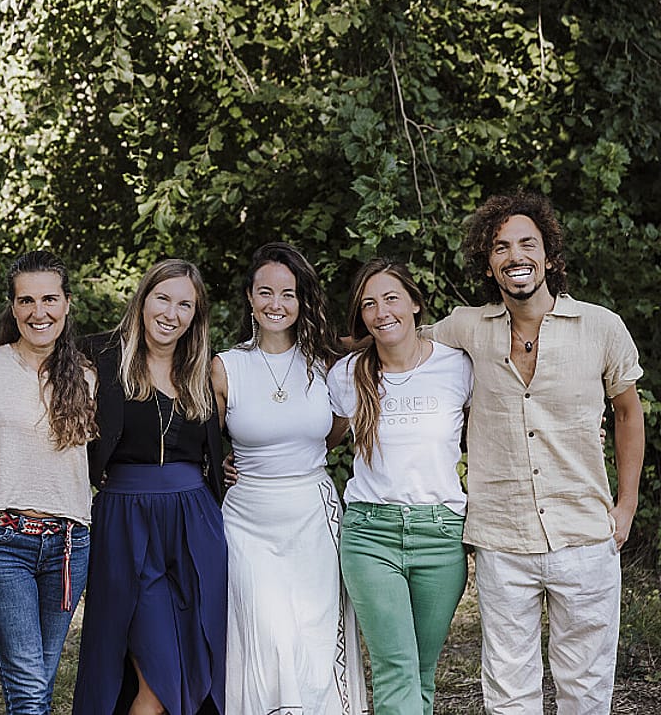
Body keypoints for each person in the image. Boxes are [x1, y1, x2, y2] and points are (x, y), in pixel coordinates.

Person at [425, 191, 644, 713]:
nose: (514, 255)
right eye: (500, 247)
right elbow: (396, 346)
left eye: (527, 243)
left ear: (549, 256)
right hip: (503, 538)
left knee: (587, 688)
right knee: (508, 690)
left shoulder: (601, 327)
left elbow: (629, 413)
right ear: (489, 263)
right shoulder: (465, 328)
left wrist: (627, 506)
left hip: (586, 535)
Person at [210, 242, 367, 714]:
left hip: (312, 516)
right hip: (247, 520)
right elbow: (204, 442)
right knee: (267, 631)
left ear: (302, 301)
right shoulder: (225, 366)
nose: (276, 304)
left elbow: (331, 433)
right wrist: (220, 466)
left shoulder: (327, 364)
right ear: (249, 298)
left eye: (288, 294)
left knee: (314, 635)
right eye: (265, 292)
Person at [73, 258, 227, 715]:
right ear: (143, 300)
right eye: (163, 298)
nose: (171, 313)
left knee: (192, 663)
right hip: (126, 522)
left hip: (195, 525)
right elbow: (32, 335)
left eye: (185, 304)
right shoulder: (98, 356)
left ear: (195, 315)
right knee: (157, 675)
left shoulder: (203, 371)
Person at [329, 259, 472, 715]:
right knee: (396, 666)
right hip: (372, 535)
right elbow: (315, 436)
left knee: (422, 672)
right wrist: (244, 462)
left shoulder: (459, 367)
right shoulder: (347, 375)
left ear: (414, 304)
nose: (381, 311)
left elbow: (506, 423)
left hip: (441, 535)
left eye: (391, 298)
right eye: (369, 303)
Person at [0, 251, 98, 715]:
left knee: (39, 679)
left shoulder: (87, 375)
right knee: (27, 688)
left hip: (68, 545)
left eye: (49, 299)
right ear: (13, 306)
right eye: (26, 301)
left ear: (67, 304)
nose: (38, 312)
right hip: (1, 540)